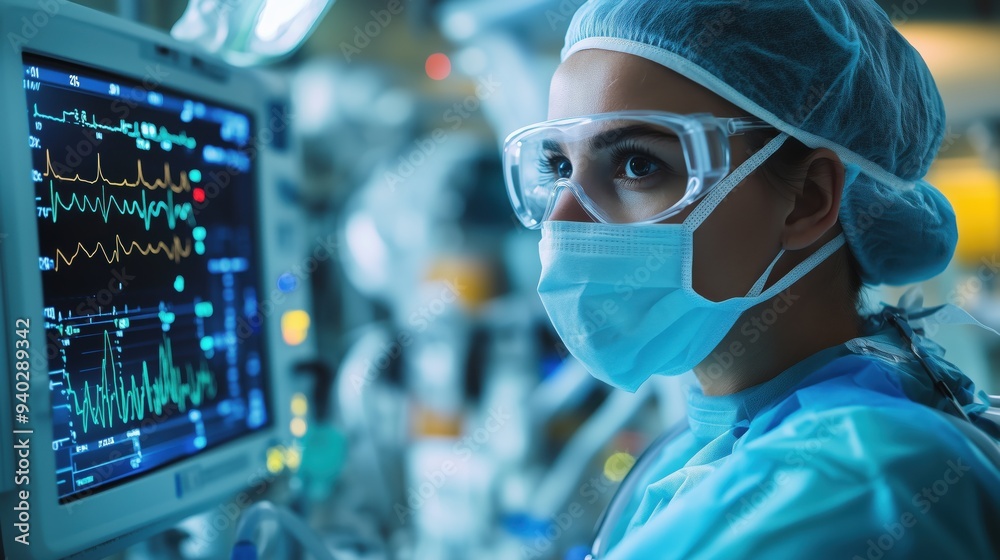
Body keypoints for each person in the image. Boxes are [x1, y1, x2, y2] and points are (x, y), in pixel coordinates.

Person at [501, 0, 1000, 558]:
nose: (563, 218)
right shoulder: (707, 443)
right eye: (559, 168)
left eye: (638, 165)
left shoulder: (852, 483)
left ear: (807, 200)